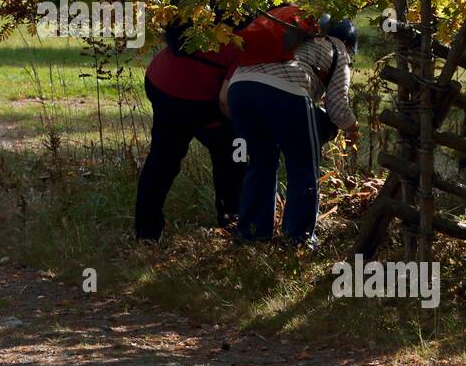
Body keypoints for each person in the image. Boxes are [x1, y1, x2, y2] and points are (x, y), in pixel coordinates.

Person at [224, 15, 359, 246]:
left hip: (240, 91)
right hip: (286, 93)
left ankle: (252, 234)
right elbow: (337, 107)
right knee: (303, 167)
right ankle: (298, 238)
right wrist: (352, 127)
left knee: (260, 164)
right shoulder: (337, 49)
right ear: (348, 42)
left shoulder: (290, 38)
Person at [134, 24, 244, 242]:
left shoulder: (197, 20)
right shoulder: (239, 44)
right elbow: (224, 101)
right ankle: (231, 222)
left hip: (161, 81)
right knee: (232, 158)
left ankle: (146, 233)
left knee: (161, 162)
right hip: (193, 97)